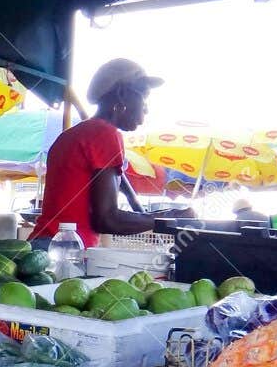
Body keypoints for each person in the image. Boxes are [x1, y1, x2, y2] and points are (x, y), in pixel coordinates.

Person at [32, 59, 181, 246]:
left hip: (44, 244)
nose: (146, 108)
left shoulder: (74, 134)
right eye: (144, 96)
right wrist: (171, 220)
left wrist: (164, 217)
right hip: (62, 250)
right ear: (122, 94)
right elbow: (107, 219)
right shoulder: (105, 134)